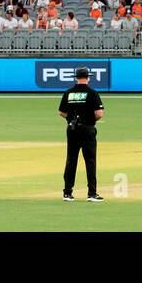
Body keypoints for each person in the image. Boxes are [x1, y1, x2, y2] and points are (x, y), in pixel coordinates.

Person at [59, 66, 105, 202]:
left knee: (71, 160)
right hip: (87, 129)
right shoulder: (92, 93)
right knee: (90, 161)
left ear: (76, 78)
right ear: (88, 77)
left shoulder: (68, 93)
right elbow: (99, 114)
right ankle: (91, 193)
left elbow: (61, 112)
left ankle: (67, 193)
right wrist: (89, 120)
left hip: (72, 129)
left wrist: (71, 119)